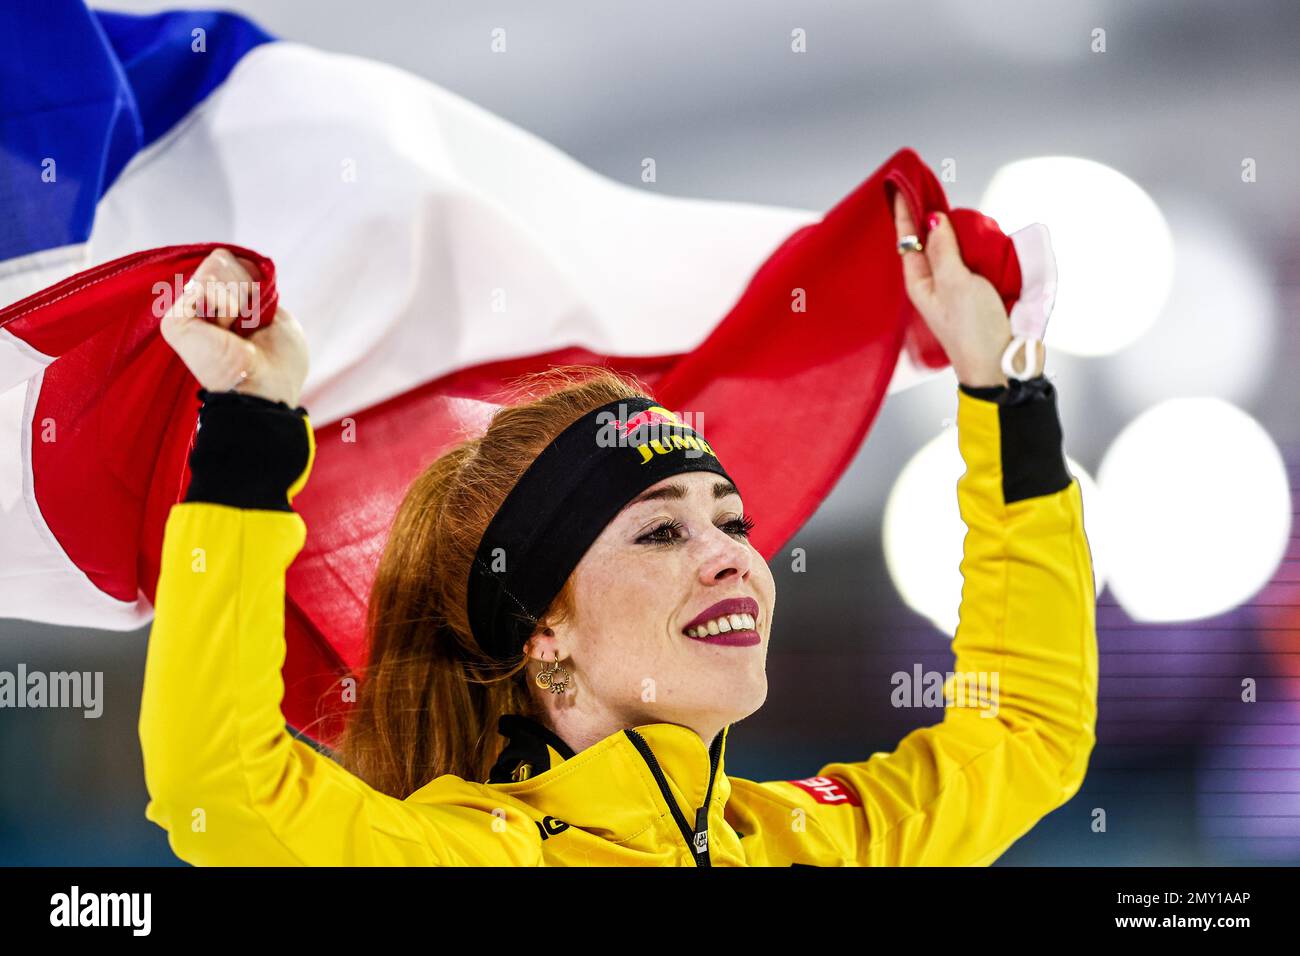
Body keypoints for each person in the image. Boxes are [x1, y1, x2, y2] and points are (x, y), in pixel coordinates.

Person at [138, 195, 1097, 865]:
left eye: (731, 521)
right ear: (543, 629)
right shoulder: (466, 856)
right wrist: (250, 430)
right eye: (660, 534)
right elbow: (216, 786)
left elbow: (1027, 730)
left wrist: (1003, 390)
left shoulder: (818, 839)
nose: (731, 555)